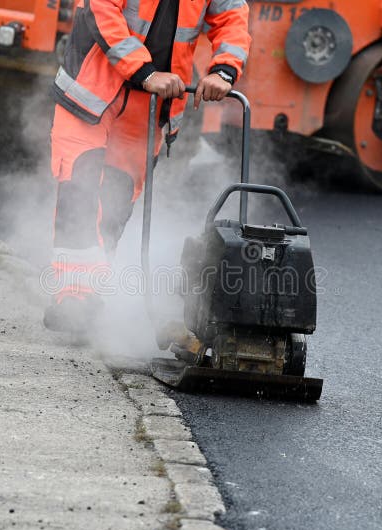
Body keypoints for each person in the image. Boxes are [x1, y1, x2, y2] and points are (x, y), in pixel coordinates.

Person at [43, 0, 251, 332]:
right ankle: (72, 297)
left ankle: (90, 293)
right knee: (79, 188)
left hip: (148, 107)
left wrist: (224, 70)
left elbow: (232, 17)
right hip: (92, 91)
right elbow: (102, 11)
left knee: (116, 200)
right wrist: (145, 72)